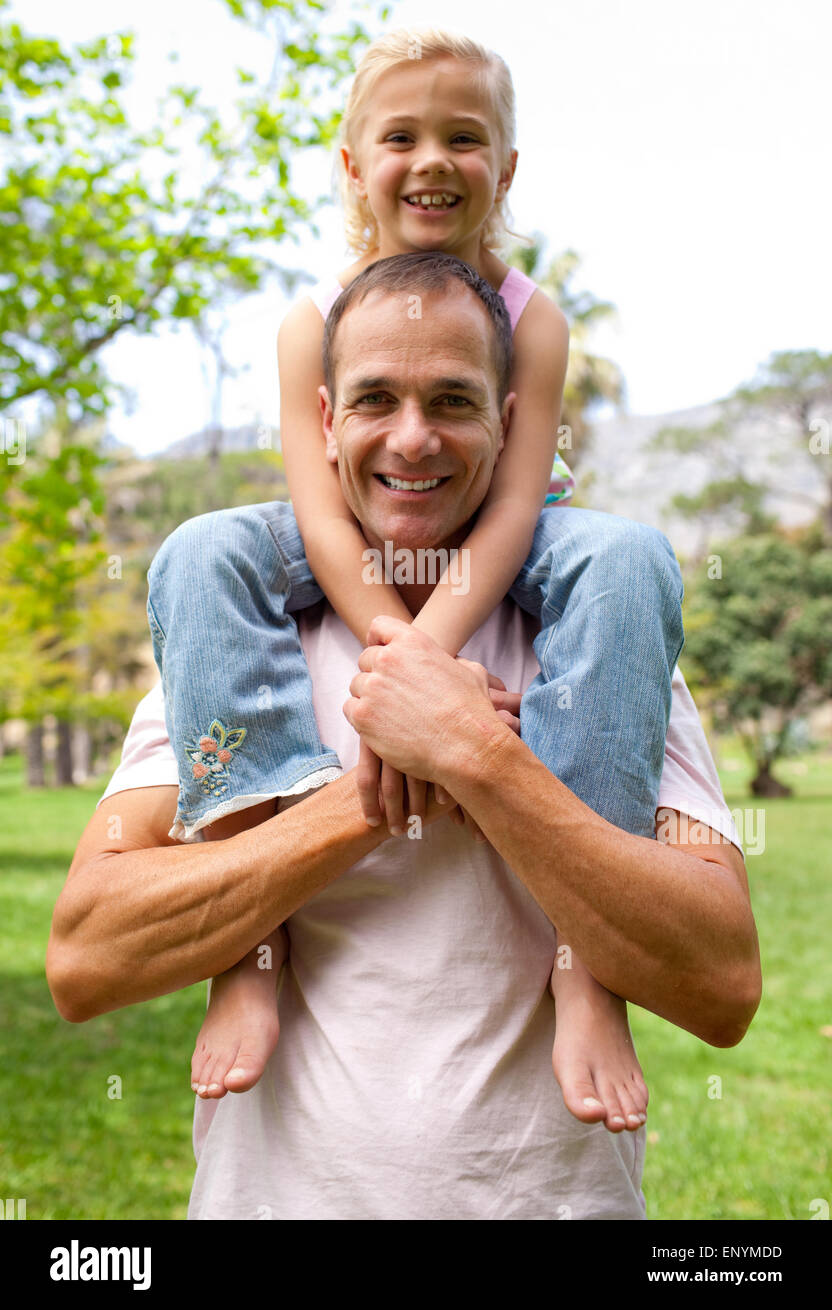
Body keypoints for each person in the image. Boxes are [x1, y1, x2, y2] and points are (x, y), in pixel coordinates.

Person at [47, 255, 761, 1221]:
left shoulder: (609, 640)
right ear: (327, 421)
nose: (414, 437)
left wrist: (485, 760)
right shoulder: (238, 641)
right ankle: (250, 962)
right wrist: (374, 793)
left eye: (453, 401)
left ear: (508, 426)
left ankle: (580, 983)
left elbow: (721, 984)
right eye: (377, 398)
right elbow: (89, 958)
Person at [146, 29, 686, 1132]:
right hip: (349, 533)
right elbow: (317, 521)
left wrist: (421, 667)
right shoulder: (312, 320)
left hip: (507, 530)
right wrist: (399, 663)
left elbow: (516, 510)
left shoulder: (532, 319)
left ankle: (585, 965)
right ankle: (249, 943)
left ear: (508, 167)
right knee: (201, 550)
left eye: (464, 137)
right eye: (401, 135)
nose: (432, 159)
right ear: (353, 163)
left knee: (628, 557)